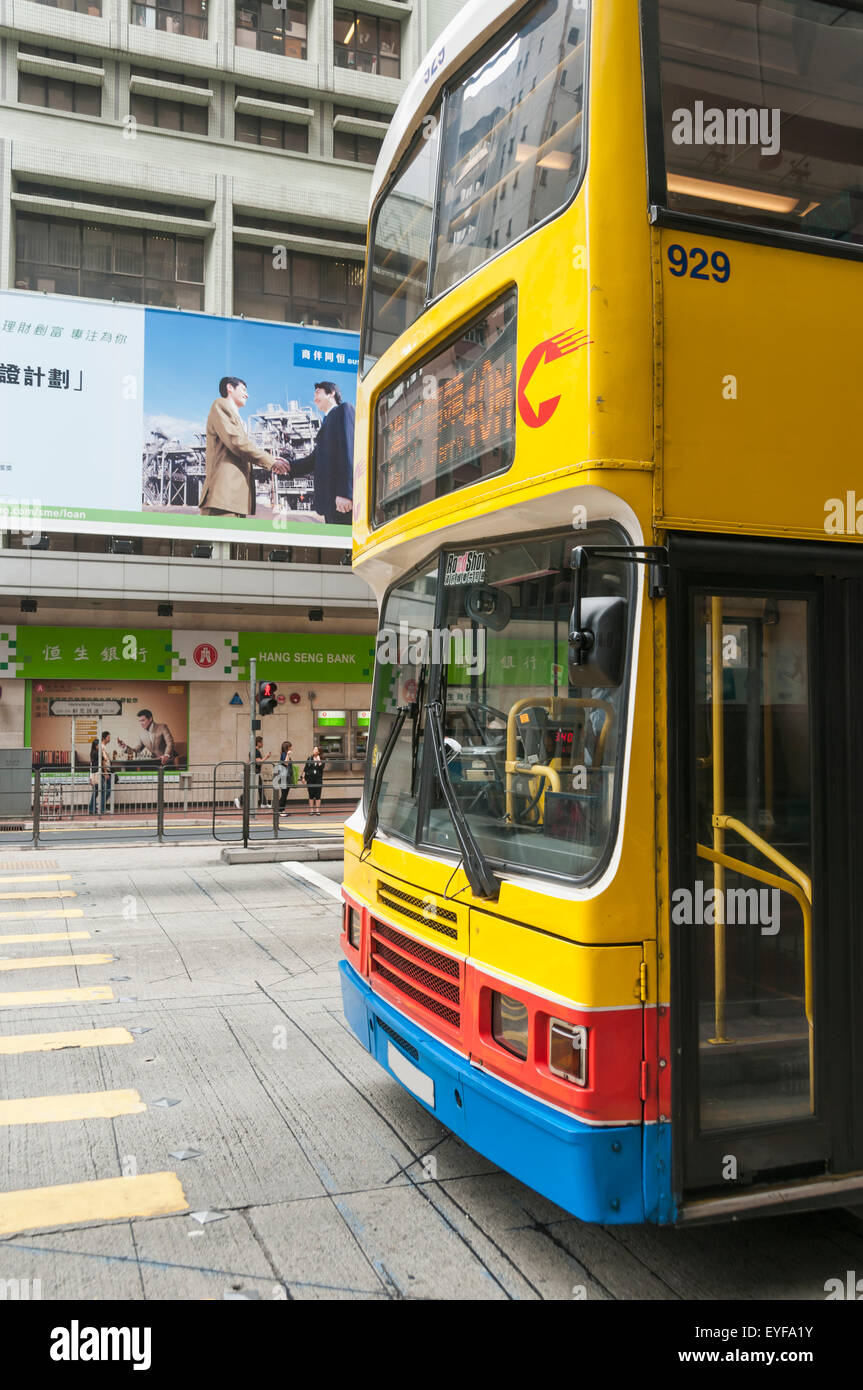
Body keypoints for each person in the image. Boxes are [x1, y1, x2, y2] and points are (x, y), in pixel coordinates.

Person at [200, 376, 289, 519]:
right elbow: (236, 442)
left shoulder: (240, 420)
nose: (247, 394)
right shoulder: (220, 405)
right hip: (223, 498)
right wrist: (270, 461)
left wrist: (271, 460)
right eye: (243, 389)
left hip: (236, 499)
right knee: (219, 541)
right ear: (230, 387)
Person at [285, 382, 354, 525]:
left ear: (331, 393)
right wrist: (287, 465)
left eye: (318, 392)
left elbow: (349, 449)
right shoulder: (327, 421)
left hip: (342, 501)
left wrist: (346, 493)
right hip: (330, 503)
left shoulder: (343, 410)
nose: (314, 397)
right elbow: (314, 459)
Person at [234, 735, 270, 811]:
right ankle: (239, 799)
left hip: (253, 772)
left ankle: (264, 803)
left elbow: (249, 761)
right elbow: (259, 762)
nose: (262, 744)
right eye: (261, 742)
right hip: (253, 773)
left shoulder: (253, 751)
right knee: (252, 789)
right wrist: (267, 757)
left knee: (260, 787)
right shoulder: (255, 751)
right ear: (258, 743)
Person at [88, 731, 112, 816]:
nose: (100, 746)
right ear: (96, 746)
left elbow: (91, 766)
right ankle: (101, 809)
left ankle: (92, 809)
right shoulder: (98, 753)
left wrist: (90, 777)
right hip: (99, 773)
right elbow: (103, 763)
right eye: (98, 745)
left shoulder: (92, 753)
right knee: (102, 791)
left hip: (95, 774)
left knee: (96, 791)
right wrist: (105, 773)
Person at [301, 745, 325, 815]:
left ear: (319, 751)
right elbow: (305, 768)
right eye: (314, 749)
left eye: (315, 749)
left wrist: (318, 760)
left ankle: (317, 810)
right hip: (310, 779)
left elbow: (322, 768)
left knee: (318, 795)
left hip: (318, 779)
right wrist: (303, 777)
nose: (314, 750)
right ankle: (311, 810)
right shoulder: (309, 758)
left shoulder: (322, 759)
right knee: (311, 795)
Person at [274, 740, 294, 815]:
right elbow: (285, 763)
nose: (291, 748)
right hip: (284, 777)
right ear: (287, 747)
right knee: (284, 794)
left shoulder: (284, 754)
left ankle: (282, 810)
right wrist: (288, 755)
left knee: (285, 794)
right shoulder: (284, 754)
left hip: (286, 777)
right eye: (290, 746)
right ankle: (280, 810)